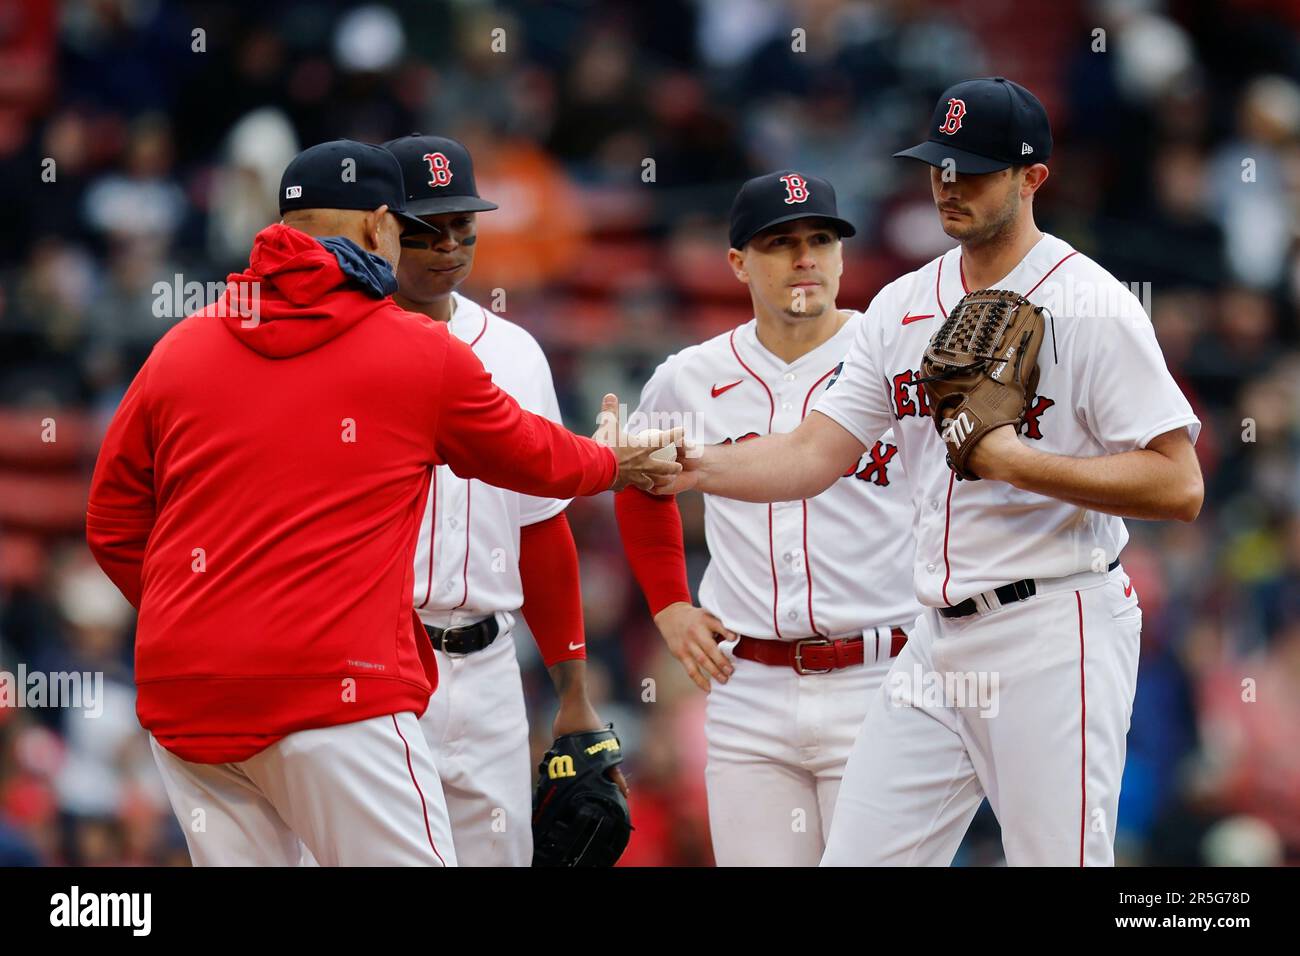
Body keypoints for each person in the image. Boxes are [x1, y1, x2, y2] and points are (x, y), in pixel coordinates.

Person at [85, 139, 678, 867]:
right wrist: (613, 461)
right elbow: (537, 459)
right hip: (337, 689)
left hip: (189, 699)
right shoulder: (410, 349)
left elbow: (111, 521)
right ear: (376, 226)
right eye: (404, 224)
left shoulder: (183, 345)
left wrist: (205, 617)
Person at [657, 79, 1204, 866]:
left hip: (1055, 622)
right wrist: (689, 465)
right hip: (935, 642)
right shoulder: (904, 303)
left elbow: (1179, 485)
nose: (950, 184)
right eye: (939, 165)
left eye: (974, 170)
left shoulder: (1092, 304)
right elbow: (815, 453)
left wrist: (1015, 459)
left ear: (1032, 179)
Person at [615, 171, 921, 865]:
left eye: (820, 239)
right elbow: (638, 487)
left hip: (882, 674)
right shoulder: (688, 375)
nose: (805, 257)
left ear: (844, 255)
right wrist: (669, 606)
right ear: (738, 263)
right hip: (747, 685)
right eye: (780, 243)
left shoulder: (901, 359)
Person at [377, 133, 625, 867]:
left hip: (489, 667)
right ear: (381, 226)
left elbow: (541, 529)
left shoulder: (516, 352)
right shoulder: (348, 345)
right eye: (429, 229)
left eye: (463, 225)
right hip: (379, 657)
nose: (450, 244)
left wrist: (572, 689)